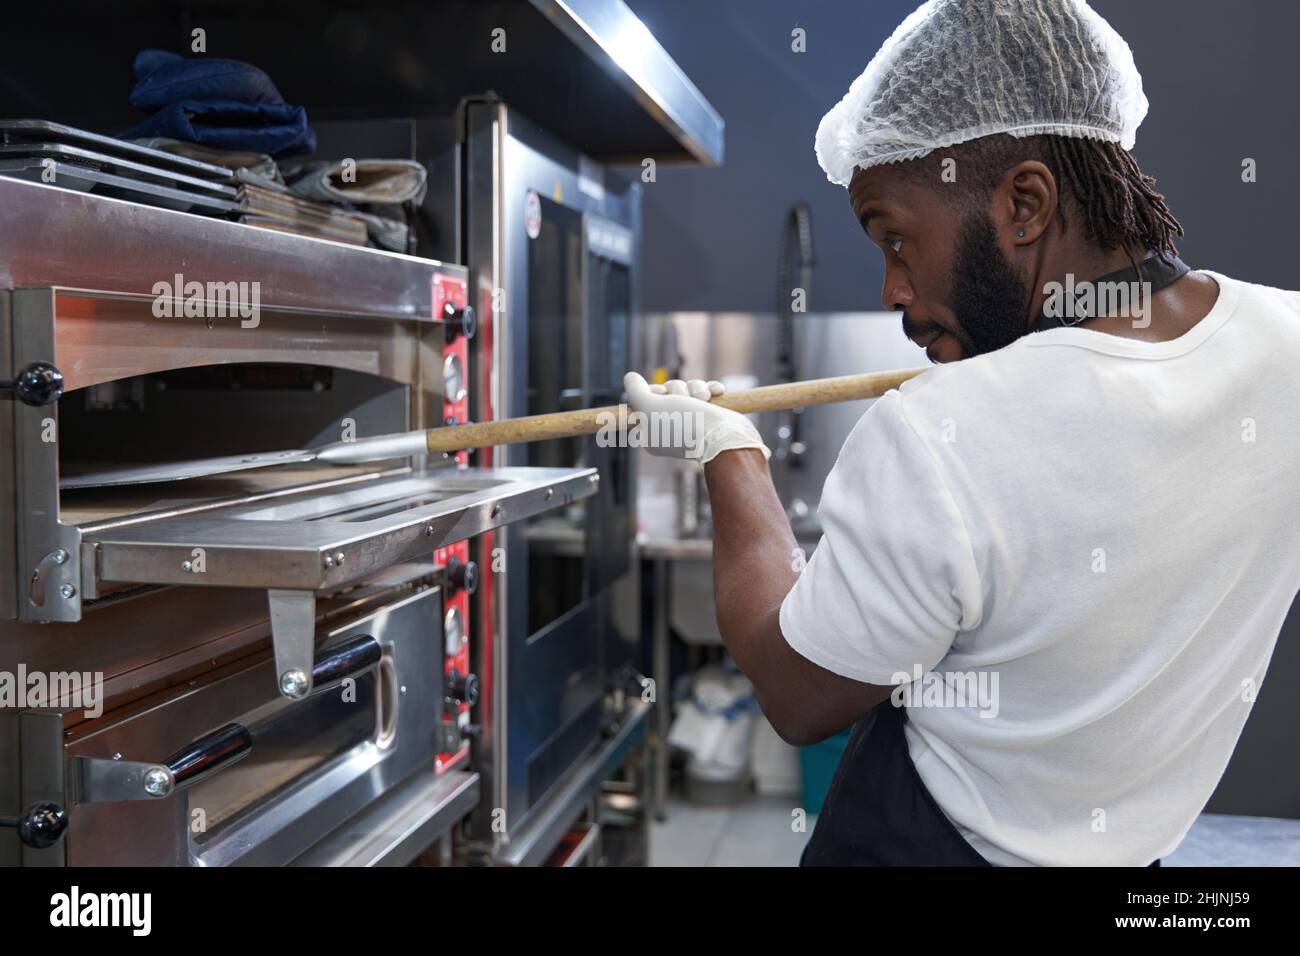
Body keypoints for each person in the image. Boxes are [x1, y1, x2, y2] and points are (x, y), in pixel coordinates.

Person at [624, 0, 1300, 866]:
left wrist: (729, 452)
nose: (891, 292)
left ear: (1025, 203)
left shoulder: (945, 432)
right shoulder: (1284, 351)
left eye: (896, 240)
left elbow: (794, 689)